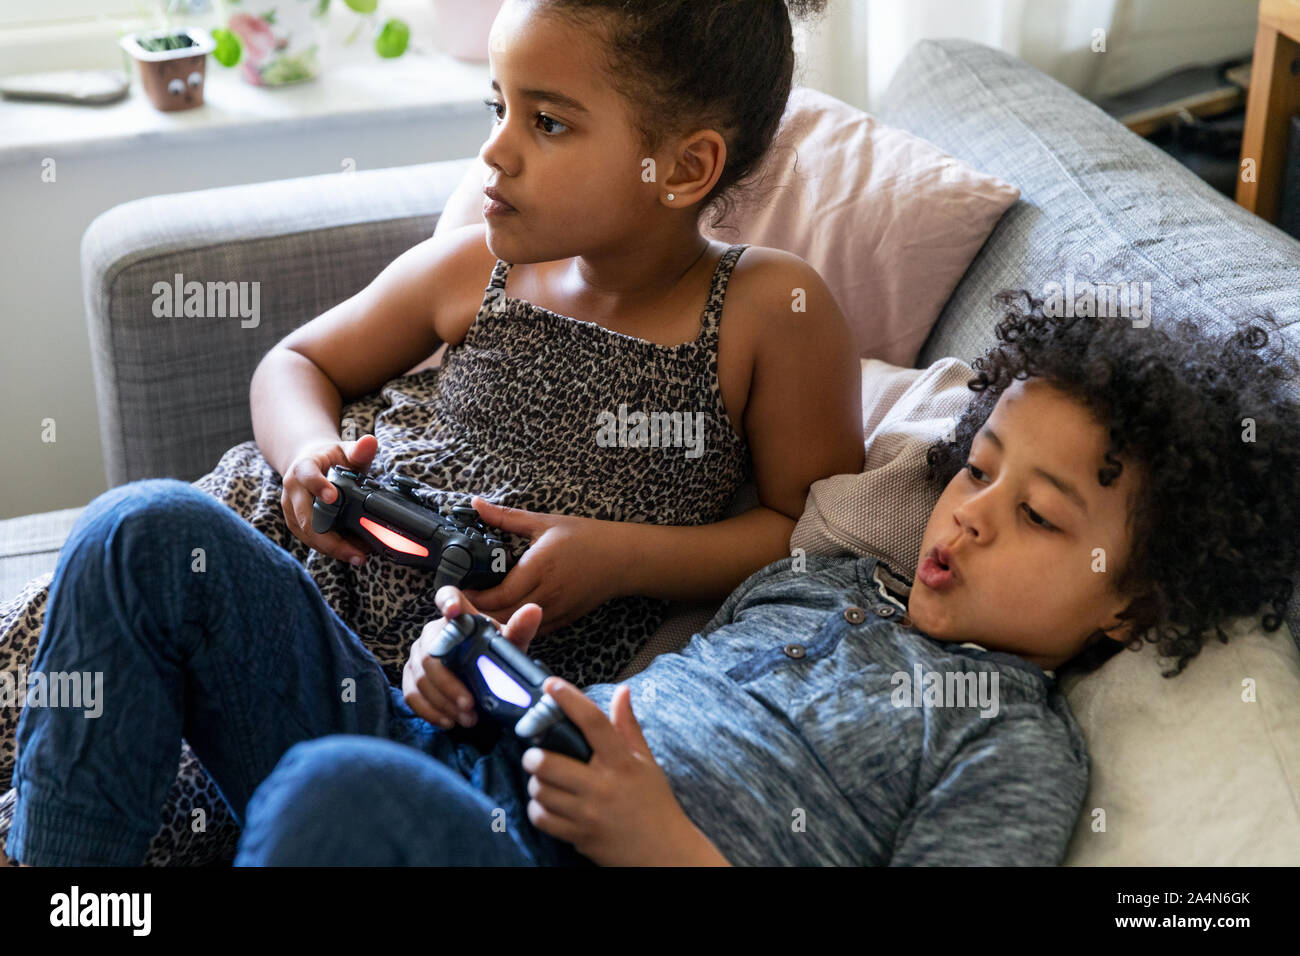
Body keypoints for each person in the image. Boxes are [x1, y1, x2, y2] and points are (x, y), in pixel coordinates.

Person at [0, 0, 859, 862]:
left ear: (683, 167)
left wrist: (620, 556)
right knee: (135, 528)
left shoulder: (769, 313)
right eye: (499, 108)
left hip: (425, 719)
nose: (495, 150)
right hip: (286, 601)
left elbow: (809, 540)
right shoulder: (480, 267)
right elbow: (296, 363)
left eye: (548, 121)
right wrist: (305, 454)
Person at [8, 297, 1296, 865]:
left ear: (1130, 606)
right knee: (146, 529)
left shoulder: (1019, 750)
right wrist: (481, 683)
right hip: (476, 770)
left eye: (1037, 514)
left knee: (334, 797)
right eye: (979, 471)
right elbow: (641, 713)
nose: (968, 518)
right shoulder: (826, 585)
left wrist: (659, 841)